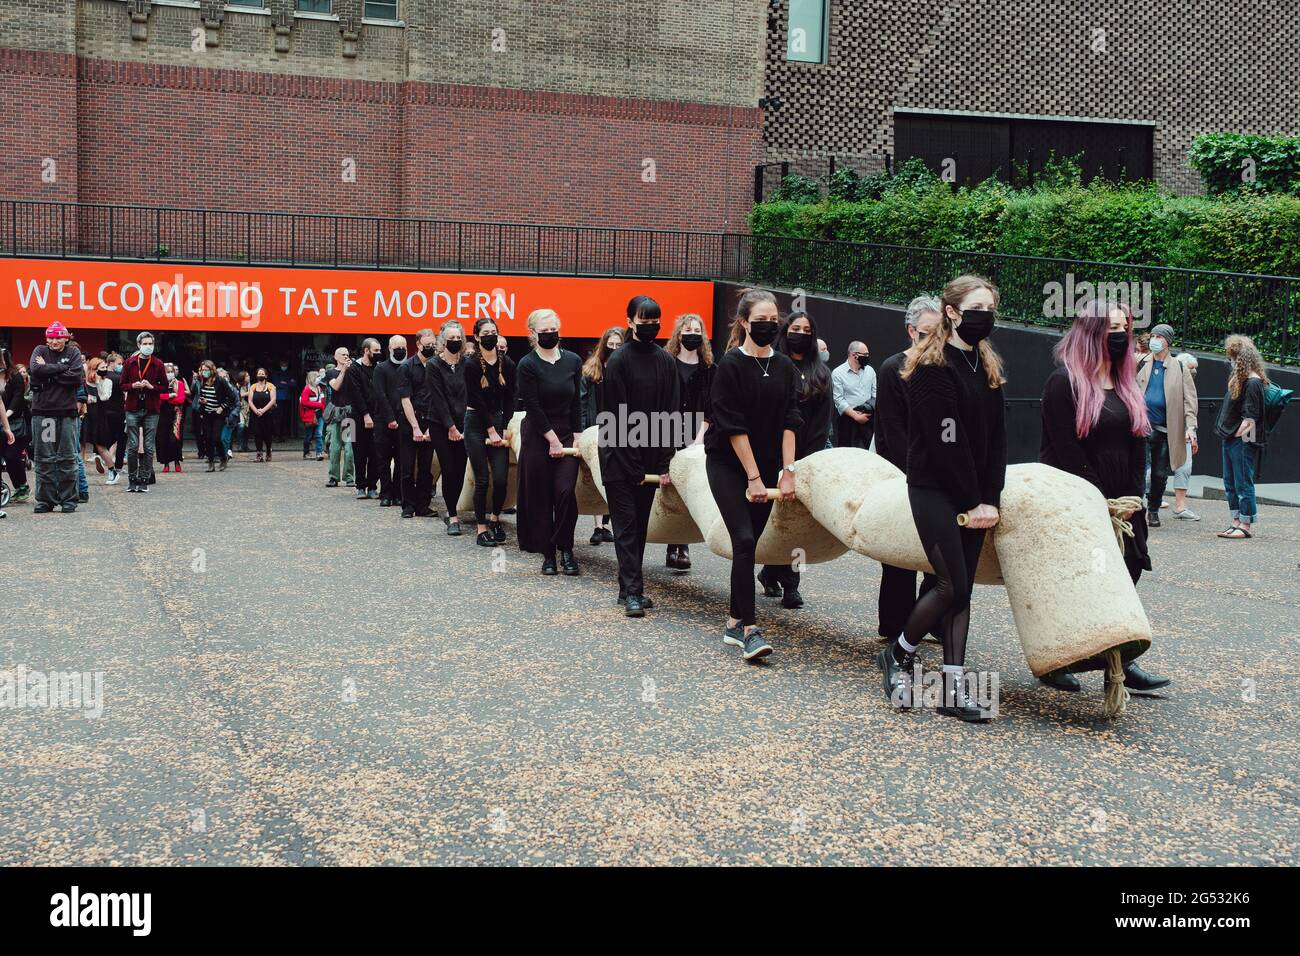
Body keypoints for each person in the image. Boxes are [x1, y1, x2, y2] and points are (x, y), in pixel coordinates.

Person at [879, 274, 1007, 722]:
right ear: (951, 312)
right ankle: (899, 653)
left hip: (975, 497)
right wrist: (973, 501)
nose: (985, 316)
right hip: (934, 488)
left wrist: (991, 497)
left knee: (964, 590)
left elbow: (997, 441)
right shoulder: (931, 367)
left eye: (990, 308)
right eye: (976, 308)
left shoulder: (986, 365)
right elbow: (944, 442)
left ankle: (952, 690)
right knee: (950, 584)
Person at [1038, 299, 1170, 693]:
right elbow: (1065, 449)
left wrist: (1134, 499)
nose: (1119, 335)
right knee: (1077, 581)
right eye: (1110, 328)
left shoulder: (1126, 381)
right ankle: (1055, 659)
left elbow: (1137, 445)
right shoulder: (1064, 382)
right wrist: (1098, 501)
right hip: (1079, 495)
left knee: (1126, 574)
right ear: (1090, 332)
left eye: (1123, 327)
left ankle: (1121, 660)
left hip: (1123, 499)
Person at [705, 289, 802, 662]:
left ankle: (732, 620)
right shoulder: (728, 366)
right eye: (760, 319)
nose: (769, 325)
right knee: (744, 540)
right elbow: (732, 426)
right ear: (744, 322)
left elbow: (791, 421)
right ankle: (749, 630)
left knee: (749, 547)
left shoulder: (784, 367)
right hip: (729, 465)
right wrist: (754, 477)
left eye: (773, 318)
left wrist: (787, 471)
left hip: (766, 468)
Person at [598, 296, 680, 616]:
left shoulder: (666, 360)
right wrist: (631, 462)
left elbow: (671, 411)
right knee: (626, 525)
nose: (650, 326)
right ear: (630, 321)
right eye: (643, 321)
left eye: (654, 321)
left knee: (641, 526)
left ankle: (627, 588)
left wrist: (663, 461)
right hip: (618, 456)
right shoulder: (618, 360)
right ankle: (634, 592)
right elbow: (614, 414)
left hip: (649, 458)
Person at [874, 296, 942, 643]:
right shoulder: (891, 369)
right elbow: (892, 429)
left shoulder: (946, 368)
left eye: (939, 332)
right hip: (902, 475)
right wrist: (912, 474)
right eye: (927, 332)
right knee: (900, 554)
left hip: (938, 475)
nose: (933, 339)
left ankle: (930, 618)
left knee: (939, 554)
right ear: (911, 330)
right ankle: (896, 623)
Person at [757, 310, 832, 611]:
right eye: (795, 328)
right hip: (770, 453)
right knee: (773, 519)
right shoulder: (773, 365)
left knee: (797, 523)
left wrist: (806, 461)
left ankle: (790, 583)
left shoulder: (820, 373)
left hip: (805, 456)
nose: (800, 333)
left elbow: (822, 422)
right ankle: (771, 568)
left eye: (806, 329)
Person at [515, 309, 584, 575]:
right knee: (541, 495)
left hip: (566, 433)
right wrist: (551, 439)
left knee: (565, 492)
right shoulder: (527, 364)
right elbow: (531, 406)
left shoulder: (573, 361)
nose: (549, 335)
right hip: (538, 435)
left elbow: (576, 400)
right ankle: (548, 553)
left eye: (553, 329)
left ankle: (566, 548)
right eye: (543, 332)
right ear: (533, 334)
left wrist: (577, 436)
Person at [663, 313, 714, 571]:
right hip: (667, 433)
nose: (692, 333)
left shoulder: (709, 369)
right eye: (687, 329)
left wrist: (698, 440)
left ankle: (682, 545)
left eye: (697, 329)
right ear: (679, 334)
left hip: (698, 436)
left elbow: (711, 408)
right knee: (670, 486)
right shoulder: (666, 363)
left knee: (689, 488)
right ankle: (672, 541)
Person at [1135, 323, 1197, 528]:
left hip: (1164, 431)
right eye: (1152, 336)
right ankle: (1135, 509)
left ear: (1168, 341)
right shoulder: (1141, 361)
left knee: (1159, 475)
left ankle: (1153, 510)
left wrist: (1191, 428)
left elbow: (1190, 400)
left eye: (1159, 337)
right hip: (1141, 428)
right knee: (1137, 471)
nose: (1154, 340)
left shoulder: (1179, 367)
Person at [464, 318, 516, 546]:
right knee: (482, 480)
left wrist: (504, 426)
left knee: (502, 479)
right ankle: (481, 529)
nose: (490, 336)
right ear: (476, 337)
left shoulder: (508, 363)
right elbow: (476, 398)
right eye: (485, 332)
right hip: (476, 421)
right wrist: (490, 430)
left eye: (493, 332)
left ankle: (495, 519)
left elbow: (511, 397)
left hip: (498, 419)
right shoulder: (471, 364)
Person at [1215, 334, 1270, 540]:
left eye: (1232, 357)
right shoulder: (1242, 379)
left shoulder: (1252, 382)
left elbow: (1250, 418)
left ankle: (1245, 523)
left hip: (1243, 439)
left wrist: (1234, 435)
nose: (1230, 361)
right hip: (1234, 437)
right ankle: (1236, 521)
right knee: (1230, 481)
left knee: (1242, 481)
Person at [29, 321, 85, 513]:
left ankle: (69, 499)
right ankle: (46, 500)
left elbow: (76, 377)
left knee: (68, 458)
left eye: (58, 337)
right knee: (45, 458)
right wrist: (62, 369)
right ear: (46, 338)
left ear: (66, 338)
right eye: (51, 337)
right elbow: (35, 372)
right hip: (45, 415)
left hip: (67, 414)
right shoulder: (39, 350)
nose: (55, 341)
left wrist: (50, 372)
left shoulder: (73, 353)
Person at [580, 327, 623, 545]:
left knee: (612, 476)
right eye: (611, 344)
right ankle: (598, 526)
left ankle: (605, 525)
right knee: (596, 475)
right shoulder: (592, 370)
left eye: (619, 345)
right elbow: (582, 402)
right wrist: (582, 430)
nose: (614, 349)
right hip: (595, 428)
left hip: (619, 428)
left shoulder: (626, 370)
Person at [429, 321, 469, 535]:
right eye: (450, 339)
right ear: (442, 341)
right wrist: (450, 427)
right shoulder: (434, 365)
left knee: (461, 470)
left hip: (465, 423)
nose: (454, 342)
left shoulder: (467, 363)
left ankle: (454, 509)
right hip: (440, 424)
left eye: (458, 339)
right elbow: (438, 398)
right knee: (449, 468)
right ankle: (452, 516)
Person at [397, 329, 441, 519]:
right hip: (409, 421)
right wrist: (415, 427)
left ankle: (423, 505)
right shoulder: (406, 368)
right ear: (418, 345)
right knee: (407, 467)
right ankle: (408, 506)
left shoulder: (438, 367)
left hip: (431, 420)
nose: (431, 347)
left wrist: (431, 426)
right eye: (427, 345)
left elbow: (440, 398)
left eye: (433, 344)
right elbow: (405, 400)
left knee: (426, 468)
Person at [371, 336, 407, 507]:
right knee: (383, 459)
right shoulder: (381, 369)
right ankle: (385, 493)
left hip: (404, 421)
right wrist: (390, 418)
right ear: (390, 348)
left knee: (401, 459)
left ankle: (398, 494)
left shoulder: (408, 368)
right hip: (383, 421)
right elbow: (380, 394)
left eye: (403, 347)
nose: (400, 350)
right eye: (397, 347)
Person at [347, 339, 382, 500]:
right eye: (375, 350)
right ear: (366, 350)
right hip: (355, 417)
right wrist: (365, 414)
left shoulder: (378, 368)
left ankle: (372, 486)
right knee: (358, 452)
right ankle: (360, 486)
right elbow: (356, 394)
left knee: (375, 452)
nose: (378, 353)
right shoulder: (354, 368)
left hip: (377, 415)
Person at [831, 340, 876, 449]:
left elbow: (875, 394)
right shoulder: (838, 373)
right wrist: (856, 416)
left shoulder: (870, 371)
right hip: (848, 420)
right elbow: (838, 400)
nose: (867, 357)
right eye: (865, 354)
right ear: (854, 355)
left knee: (870, 452)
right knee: (847, 452)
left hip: (868, 418)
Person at [196, 360, 237, 473]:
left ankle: (223, 457)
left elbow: (232, 396)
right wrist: (201, 401)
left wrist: (222, 407)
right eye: (202, 370)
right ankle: (211, 462)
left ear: (212, 370)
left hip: (218, 414)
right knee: (207, 438)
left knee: (216, 438)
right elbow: (201, 395)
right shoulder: (202, 380)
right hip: (206, 413)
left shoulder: (220, 381)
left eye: (206, 370)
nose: (204, 372)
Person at [1, 353, 31, 503]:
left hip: (16, 421)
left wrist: (5, 416)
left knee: (11, 455)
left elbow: (17, 399)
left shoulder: (15, 377)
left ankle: (22, 485)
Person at [157, 362, 187, 473]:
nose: (170, 374)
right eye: (167, 372)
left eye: (171, 372)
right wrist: (169, 396)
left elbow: (180, 399)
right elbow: (157, 398)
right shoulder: (160, 384)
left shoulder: (179, 383)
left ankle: (177, 461)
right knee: (163, 439)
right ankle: (166, 464)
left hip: (176, 414)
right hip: (163, 414)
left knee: (174, 439)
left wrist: (166, 399)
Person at [248, 367, 277, 462]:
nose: (260, 375)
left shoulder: (271, 386)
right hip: (255, 414)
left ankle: (268, 451)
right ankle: (259, 454)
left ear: (266, 375)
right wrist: (256, 410)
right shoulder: (253, 387)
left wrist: (263, 410)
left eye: (262, 373)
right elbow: (250, 400)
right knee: (257, 434)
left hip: (267, 413)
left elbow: (273, 400)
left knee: (267, 434)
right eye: (259, 373)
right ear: (256, 375)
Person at [300, 371, 325, 460]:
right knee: (308, 436)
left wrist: (322, 408)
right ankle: (306, 453)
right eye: (317, 376)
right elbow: (304, 402)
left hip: (319, 414)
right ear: (312, 378)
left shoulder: (319, 388)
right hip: (309, 415)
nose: (319, 378)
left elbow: (322, 401)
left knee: (319, 434)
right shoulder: (306, 389)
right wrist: (319, 405)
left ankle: (319, 453)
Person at [272, 360, 296, 440]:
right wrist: (288, 383)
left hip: (288, 398)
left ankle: (283, 435)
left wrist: (284, 383)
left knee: (285, 417)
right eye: (283, 363)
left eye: (286, 363)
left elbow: (294, 384)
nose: (284, 365)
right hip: (279, 398)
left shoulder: (291, 373)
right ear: (280, 364)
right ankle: (277, 435)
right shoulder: (276, 373)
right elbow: (276, 384)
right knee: (278, 417)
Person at [234, 370, 251, 453]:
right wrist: (248, 393)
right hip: (240, 408)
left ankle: (245, 445)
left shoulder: (249, 386)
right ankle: (239, 445)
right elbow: (236, 395)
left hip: (248, 409)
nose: (249, 377)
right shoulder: (237, 386)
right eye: (247, 376)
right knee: (241, 426)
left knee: (247, 428)